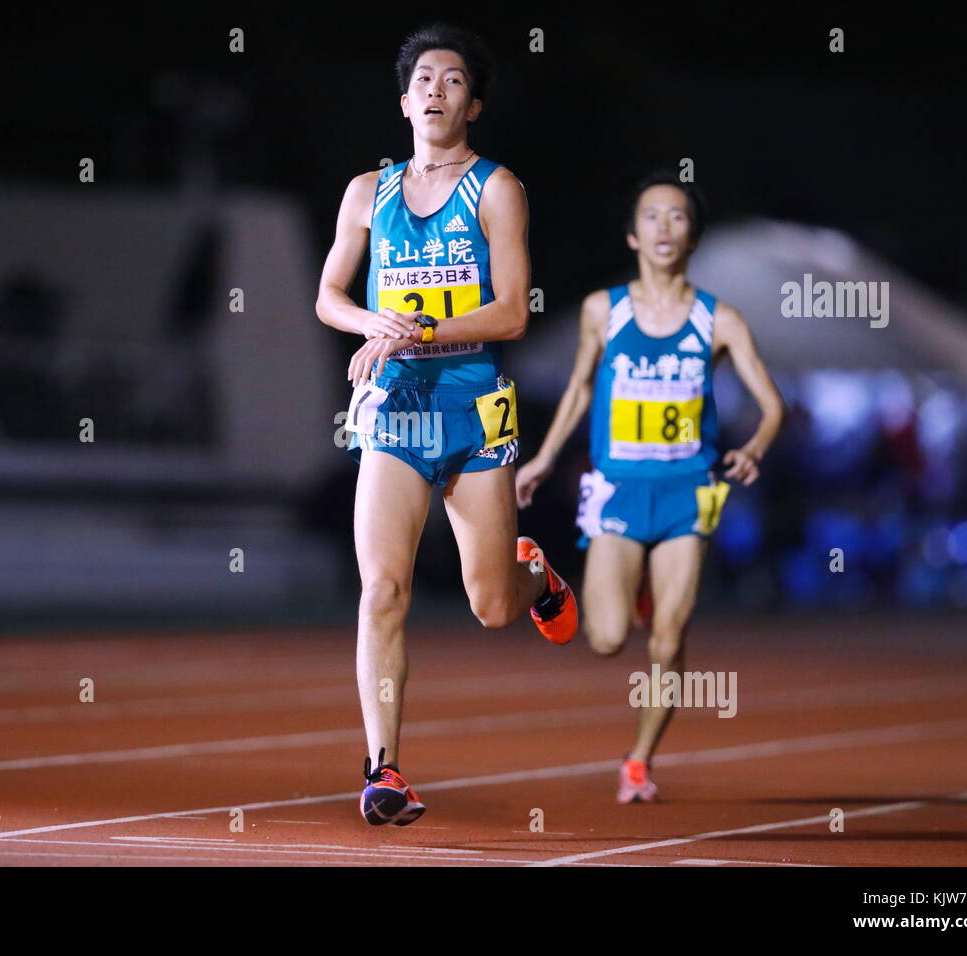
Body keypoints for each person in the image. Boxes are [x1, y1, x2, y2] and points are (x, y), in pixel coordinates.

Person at [314, 23, 578, 827]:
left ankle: (533, 574)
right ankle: (383, 769)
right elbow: (328, 296)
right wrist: (372, 326)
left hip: (471, 409)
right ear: (403, 101)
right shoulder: (368, 192)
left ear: (474, 104)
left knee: (491, 605)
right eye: (423, 78)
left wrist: (420, 329)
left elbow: (511, 310)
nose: (435, 89)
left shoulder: (497, 189)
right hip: (393, 408)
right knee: (383, 589)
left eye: (453, 79)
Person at [515, 171, 784, 803]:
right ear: (633, 235)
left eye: (678, 217)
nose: (665, 227)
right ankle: (550, 581)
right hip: (617, 490)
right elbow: (580, 387)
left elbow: (772, 405)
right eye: (653, 217)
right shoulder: (601, 311)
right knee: (607, 640)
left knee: (668, 636)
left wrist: (752, 449)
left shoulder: (719, 320)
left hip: (690, 492)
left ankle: (638, 760)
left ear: (693, 236)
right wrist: (545, 458)